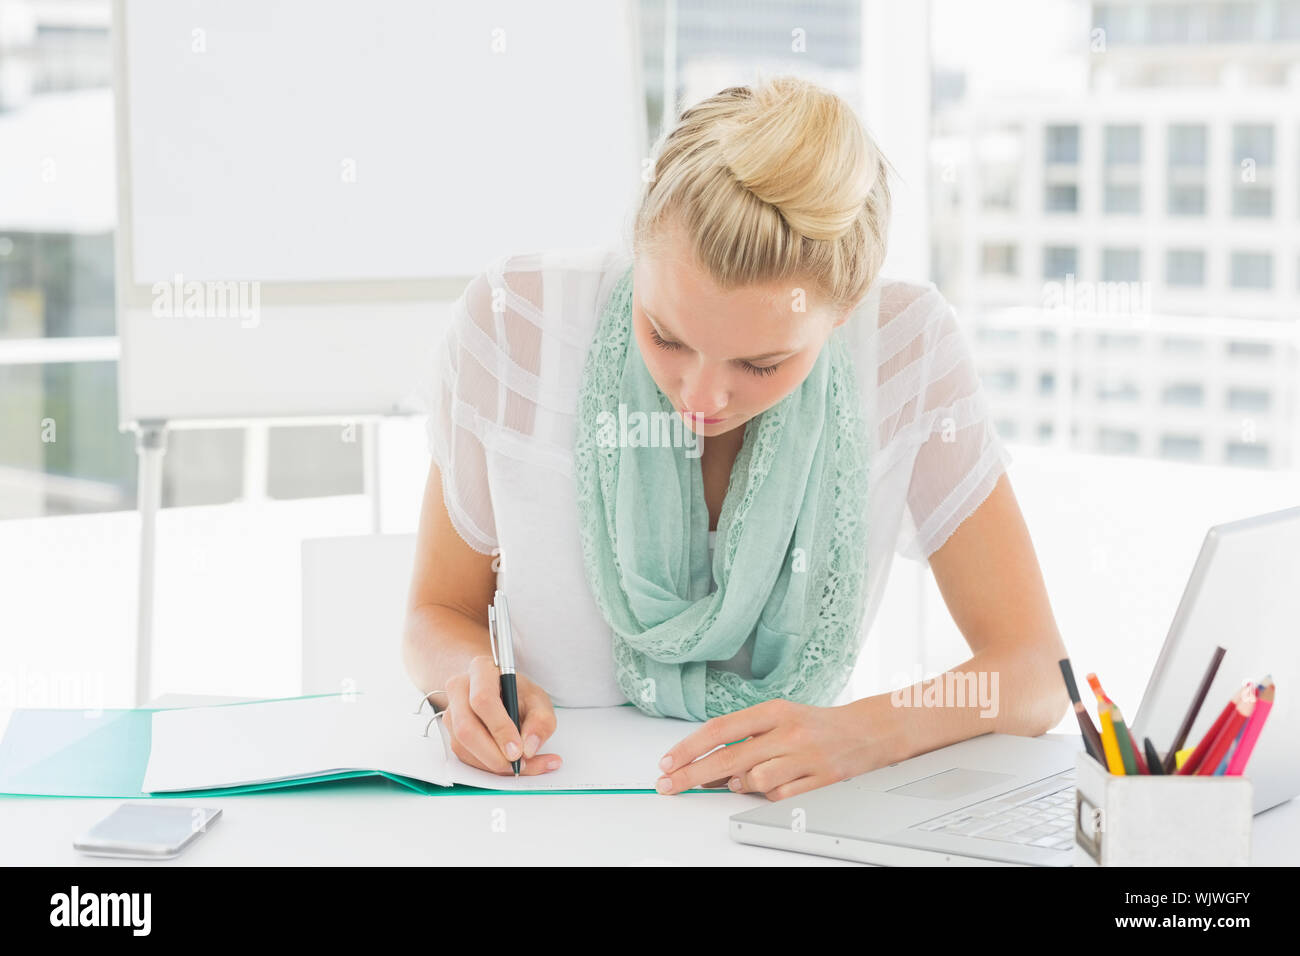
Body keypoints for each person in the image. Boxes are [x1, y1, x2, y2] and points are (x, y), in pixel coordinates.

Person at [404, 74, 1068, 802]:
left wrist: (868, 732)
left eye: (761, 364)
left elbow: (1036, 669)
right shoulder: (516, 320)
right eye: (665, 335)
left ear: (844, 310)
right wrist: (461, 679)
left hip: (781, 831)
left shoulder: (905, 346)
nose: (701, 397)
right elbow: (439, 613)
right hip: (542, 819)